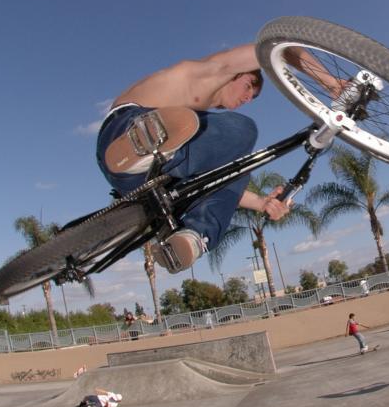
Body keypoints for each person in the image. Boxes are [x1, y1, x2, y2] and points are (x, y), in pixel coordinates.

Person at [96, 41, 342, 273]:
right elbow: (276, 49)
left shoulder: (200, 131)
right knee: (244, 130)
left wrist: (262, 203)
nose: (248, 98)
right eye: (248, 86)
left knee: (232, 169)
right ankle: (142, 144)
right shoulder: (206, 73)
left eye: (252, 98)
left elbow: (218, 184)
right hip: (122, 131)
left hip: (137, 178)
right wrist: (330, 83)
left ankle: (194, 237)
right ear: (235, 74)